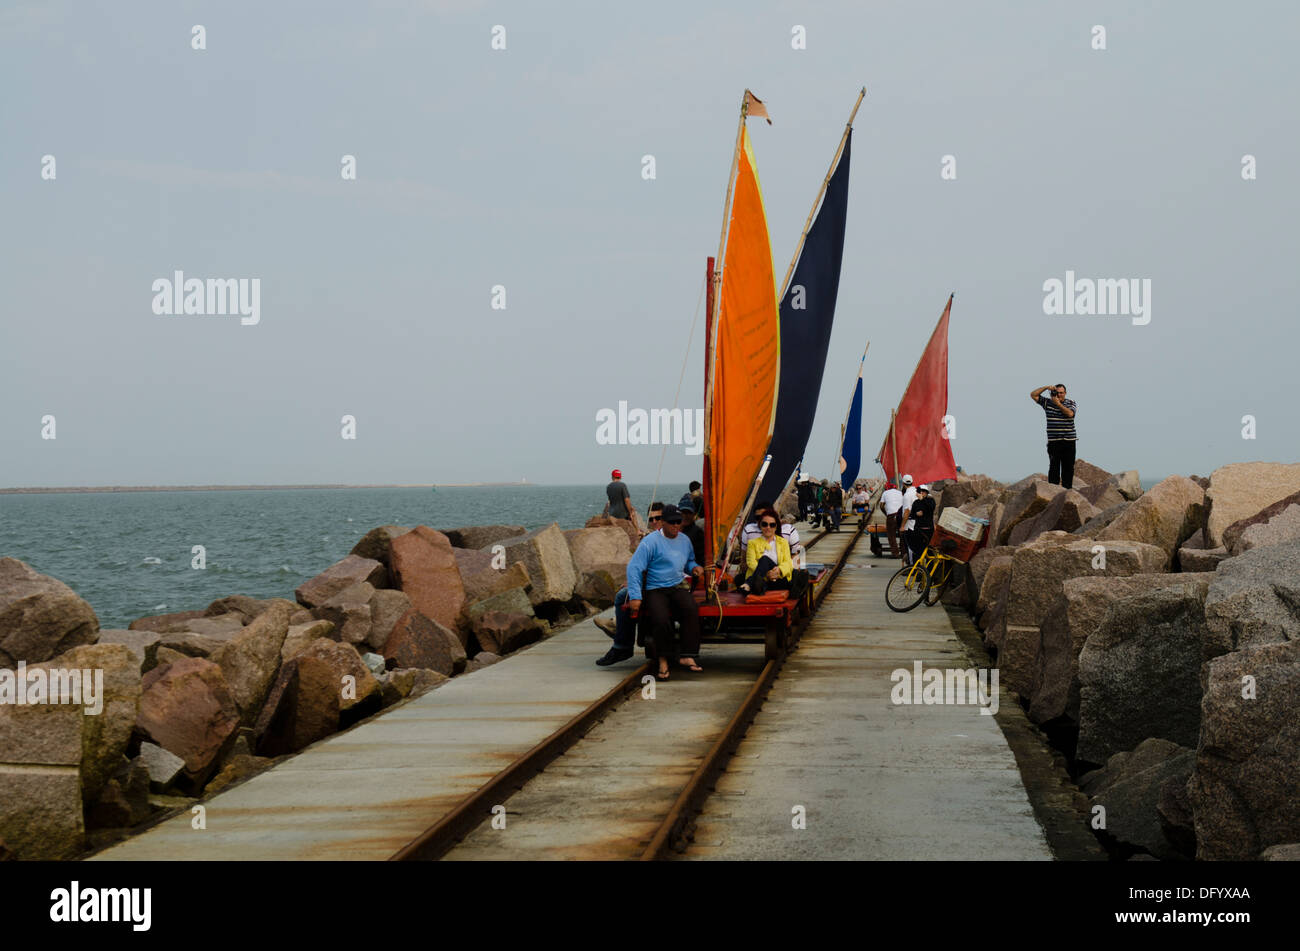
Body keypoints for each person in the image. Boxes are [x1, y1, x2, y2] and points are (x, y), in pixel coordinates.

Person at [626, 504, 705, 680]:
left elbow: (689, 561)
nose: (676, 525)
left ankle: (687, 655)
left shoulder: (684, 540)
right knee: (660, 619)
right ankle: (663, 659)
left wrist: (695, 567)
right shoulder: (650, 542)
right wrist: (635, 597)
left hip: (676, 585)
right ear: (662, 523)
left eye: (679, 522)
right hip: (656, 588)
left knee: (691, 609)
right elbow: (634, 568)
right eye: (672, 522)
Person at [595, 502, 664, 665]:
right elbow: (637, 566)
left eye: (658, 518)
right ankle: (618, 629)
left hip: (662, 587)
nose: (654, 522)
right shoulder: (651, 539)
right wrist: (633, 582)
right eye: (651, 519)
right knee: (624, 592)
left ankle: (621, 644)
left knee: (622, 597)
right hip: (650, 583)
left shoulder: (668, 539)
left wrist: (636, 585)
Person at [1030, 383, 1078, 489]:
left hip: (1069, 441)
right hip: (1054, 441)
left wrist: (1059, 404)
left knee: (1068, 468)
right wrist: (1046, 387)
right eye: (1057, 392)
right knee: (1054, 468)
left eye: (1061, 393)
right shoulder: (1048, 403)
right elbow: (1033, 395)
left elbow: (1070, 414)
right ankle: (1053, 492)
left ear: (1065, 393)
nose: (1059, 395)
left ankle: (1066, 492)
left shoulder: (1070, 402)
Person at [739, 508, 793, 595]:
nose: (768, 527)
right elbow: (751, 563)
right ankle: (758, 586)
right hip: (761, 579)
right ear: (760, 526)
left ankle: (749, 583)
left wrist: (779, 570)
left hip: (777, 578)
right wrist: (767, 574)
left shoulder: (783, 542)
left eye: (772, 525)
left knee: (764, 559)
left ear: (776, 527)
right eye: (765, 524)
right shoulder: (752, 543)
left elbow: (788, 563)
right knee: (764, 561)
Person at [901, 484, 936, 566]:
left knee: (929, 552)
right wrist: (916, 514)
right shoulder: (916, 503)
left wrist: (922, 500)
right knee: (917, 552)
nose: (922, 493)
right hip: (919, 530)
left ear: (926, 493)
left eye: (923, 492)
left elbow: (931, 508)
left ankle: (929, 573)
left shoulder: (930, 501)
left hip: (929, 530)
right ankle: (918, 571)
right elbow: (912, 514)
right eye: (920, 491)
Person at [879, 481, 904, 557]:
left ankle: (895, 553)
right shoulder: (900, 493)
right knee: (902, 534)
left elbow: (881, 506)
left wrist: (886, 513)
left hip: (891, 515)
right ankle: (904, 553)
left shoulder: (885, 493)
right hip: (900, 515)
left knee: (891, 535)